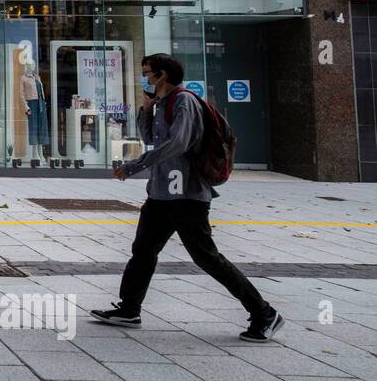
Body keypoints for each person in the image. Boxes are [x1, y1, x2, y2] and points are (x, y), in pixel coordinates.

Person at [91, 53, 283, 342]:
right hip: (161, 194)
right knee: (143, 250)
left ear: (162, 75)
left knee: (207, 258)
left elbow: (177, 143)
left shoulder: (184, 101)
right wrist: (146, 110)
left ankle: (264, 313)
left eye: (147, 73)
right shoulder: (163, 103)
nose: (145, 78)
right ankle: (129, 309)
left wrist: (133, 166)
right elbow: (152, 139)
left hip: (187, 195)